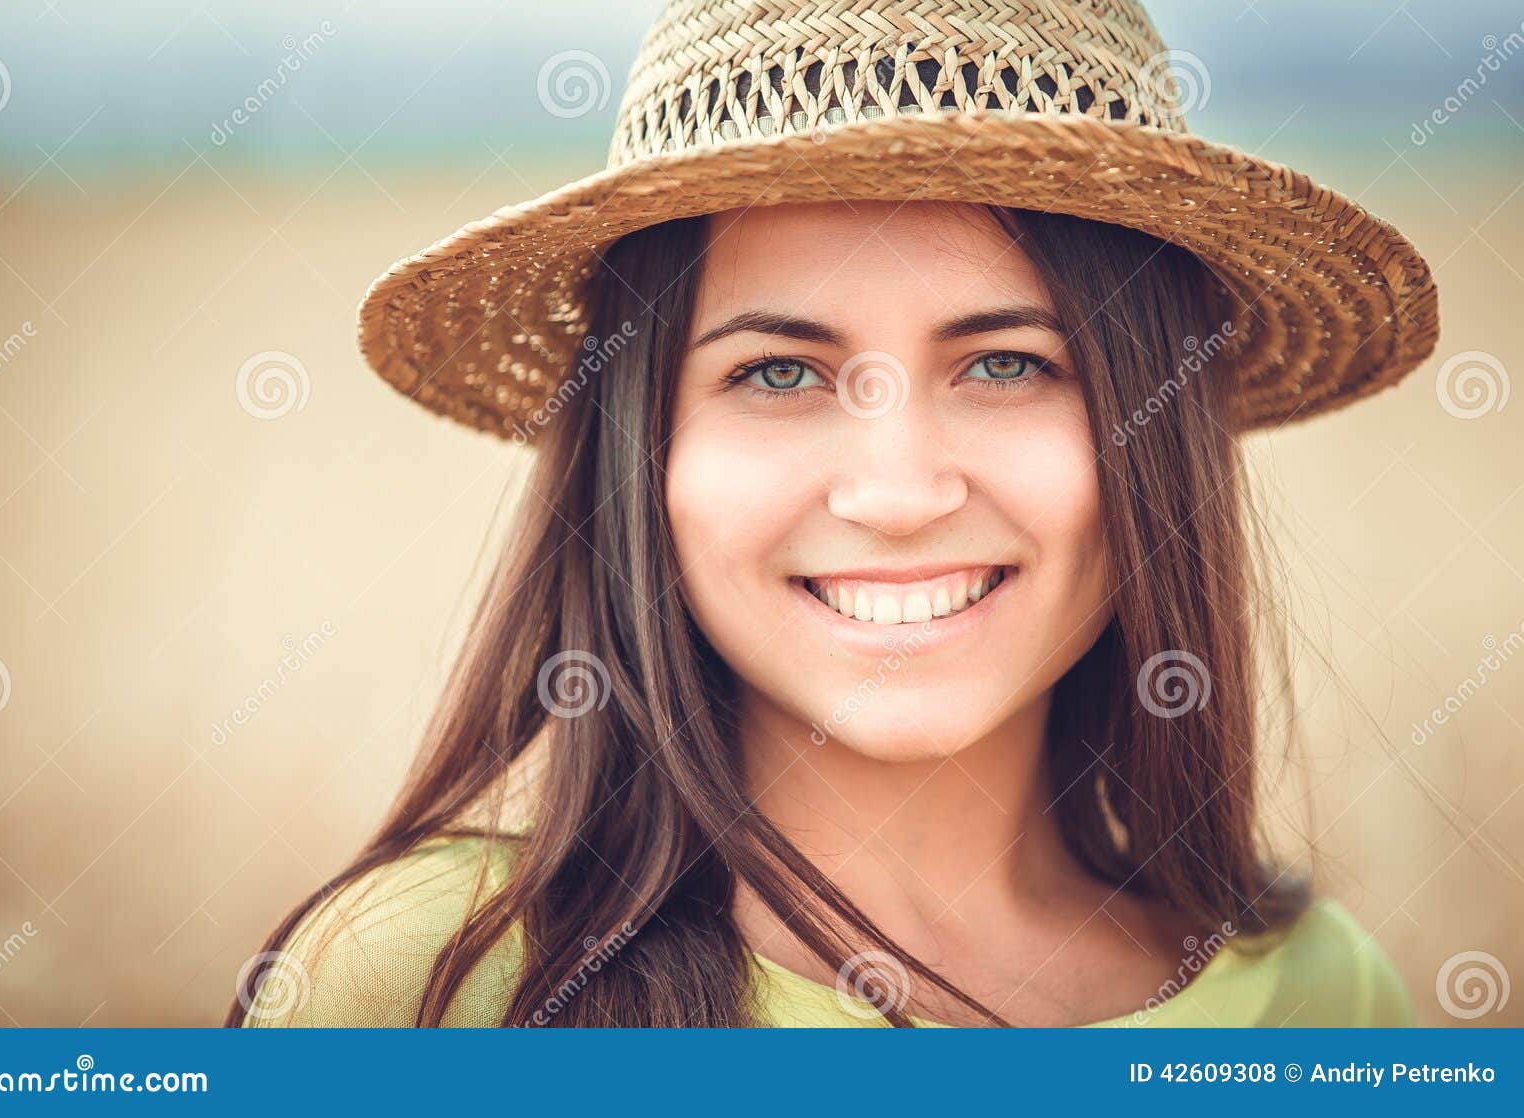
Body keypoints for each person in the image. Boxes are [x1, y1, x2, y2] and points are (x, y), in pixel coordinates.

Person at [229, 0, 1438, 1028]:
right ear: (639, 454)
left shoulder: (1329, 1003)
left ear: (1151, 419)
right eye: (778, 373)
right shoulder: (426, 986)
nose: (897, 494)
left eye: (1008, 362)